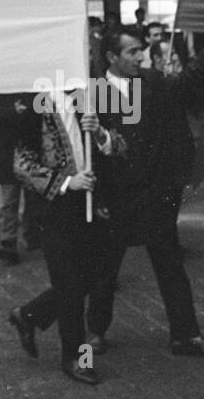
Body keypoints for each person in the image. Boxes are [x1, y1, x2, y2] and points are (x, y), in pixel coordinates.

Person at [86, 24, 204, 357]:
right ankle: (95, 331)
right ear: (111, 56)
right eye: (132, 51)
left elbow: (188, 82)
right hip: (118, 196)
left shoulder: (151, 82)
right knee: (105, 271)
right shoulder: (95, 93)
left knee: (171, 267)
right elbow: (92, 153)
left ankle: (186, 335)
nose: (141, 56)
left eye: (141, 50)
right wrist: (99, 199)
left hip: (154, 194)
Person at [6, 88, 122, 384]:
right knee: (69, 283)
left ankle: (29, 315)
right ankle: (74, 358)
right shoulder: (36, 104)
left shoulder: (88, 97)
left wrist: (100, 135)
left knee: (93, 275)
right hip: (53, 208)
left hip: (89, 205)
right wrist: (68, 182)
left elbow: (117, 147)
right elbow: (22, 165)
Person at [0, 91, 46, 264]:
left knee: (31, 197)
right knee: (10, 200)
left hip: (29, 149)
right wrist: (14, 111)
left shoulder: (31, 88)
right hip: (8, 152)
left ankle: (30, 236)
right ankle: (9, 242)